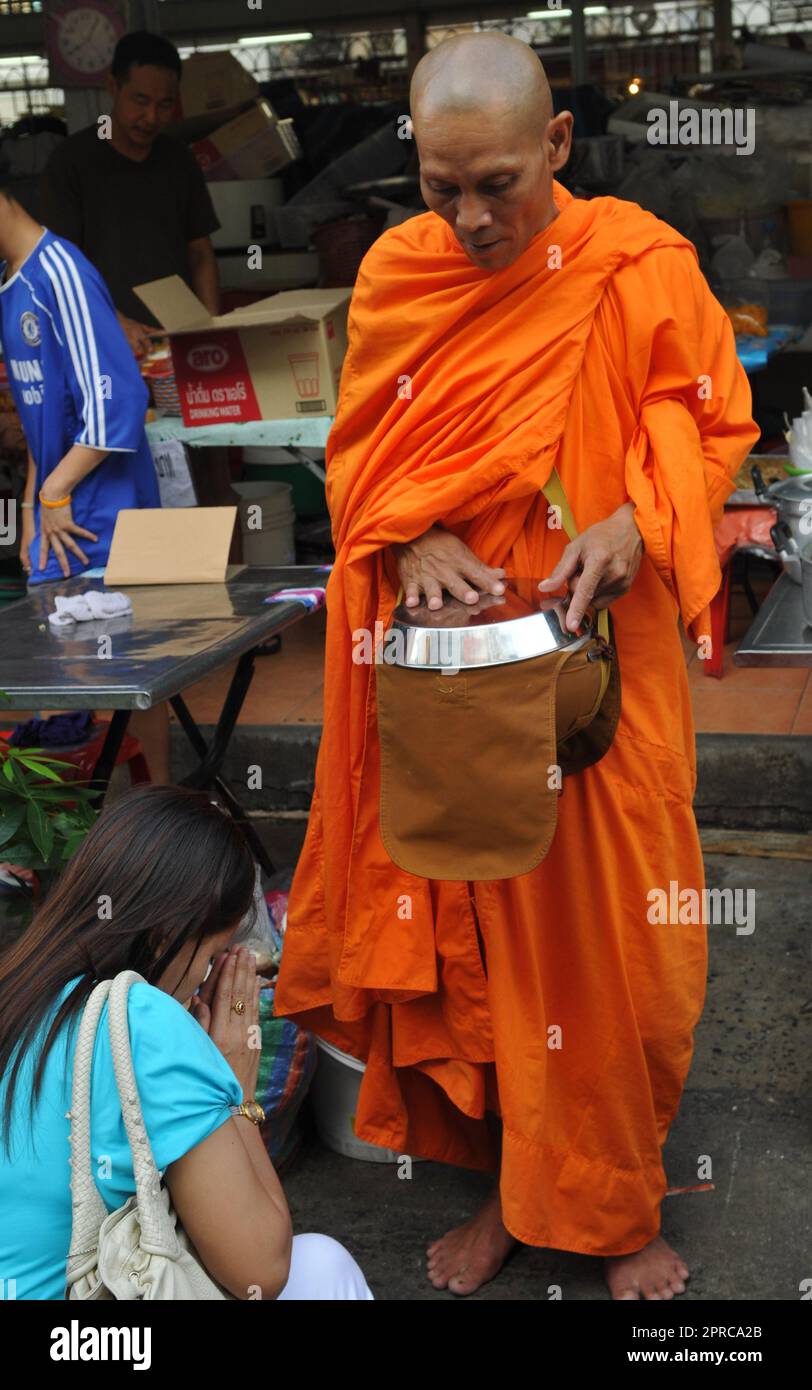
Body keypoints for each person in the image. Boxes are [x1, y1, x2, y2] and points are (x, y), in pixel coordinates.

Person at [273, 33, 760, 1301]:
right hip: (454, 675)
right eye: (442, 187)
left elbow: (712, 418)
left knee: (615, 948)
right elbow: (360, 455)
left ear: (554, 145)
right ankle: (511, 1186)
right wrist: (416, 526)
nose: (472, 219)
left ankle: (612, 1198)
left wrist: (637, 521)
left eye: (498, 183)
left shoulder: (638, 262)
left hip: (601, 665)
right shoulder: (397, 273)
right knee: (476, 931)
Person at [0, 785, 374, 1301]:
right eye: (212, 955)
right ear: (168, 933)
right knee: (322, 1267)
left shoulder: (19, 984)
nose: (204, 981)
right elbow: (260, 1272)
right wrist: (235, 1089)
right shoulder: (143, 1020)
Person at [0, 182, 169, 782]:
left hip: (107, 511)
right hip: (59, 517)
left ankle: (158, 829)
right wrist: (29, 513)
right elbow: (42, 417)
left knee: (133, 677)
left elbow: (118, 401)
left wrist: (51, 495)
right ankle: (75, 849)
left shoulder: (59, 271)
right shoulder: (12, 279)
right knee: (62, 690)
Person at [39, 30, 220, 360]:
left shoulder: (179, 159)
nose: (151, 118)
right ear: (113, 87)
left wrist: (211, 328)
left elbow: (201, 253)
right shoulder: (72, 161)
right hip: (102, 344)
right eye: (140, 101)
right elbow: (60, 268)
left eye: (164, 105)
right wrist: (115, 323)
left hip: (178, 342)